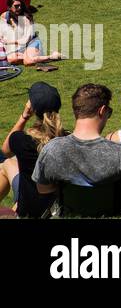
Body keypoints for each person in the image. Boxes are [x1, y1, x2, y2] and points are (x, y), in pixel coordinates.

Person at [33, 83, 121, 217]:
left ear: (76, 111)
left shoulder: (51, 149)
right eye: (109, 112)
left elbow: (43, 188)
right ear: (102, 110)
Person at [0, 82, 64, 218]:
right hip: (56, 205)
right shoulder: (67, 138)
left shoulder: (21, 140)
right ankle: (15, 206)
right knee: (9, 163)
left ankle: (16, 209)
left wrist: (24, 116)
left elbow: (5, 150)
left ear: (32, 107)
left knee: (5, 164)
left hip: (31, 209)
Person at [1, 0, 63, 65]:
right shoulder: (5, 16)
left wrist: (9, 42)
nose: (19, 8)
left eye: (20, 5)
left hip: (31, 42)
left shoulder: (26, 19)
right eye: (16, 6)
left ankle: (53, 56)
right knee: (12, 60)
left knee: (29, 62)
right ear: (9, 7)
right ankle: (29, 56)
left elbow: (26, 40)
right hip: (17, 45)